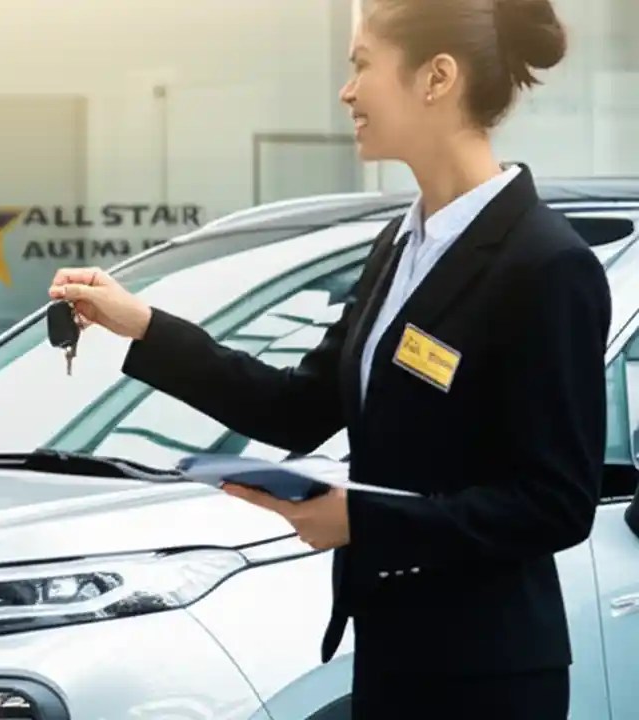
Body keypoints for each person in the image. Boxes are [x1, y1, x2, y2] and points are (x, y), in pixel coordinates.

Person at [48, 0, 608, 718]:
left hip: (488, 675)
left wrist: (363, 524)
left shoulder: (546, 264)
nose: (347, 92)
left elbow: (555, 503)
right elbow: (297, 406)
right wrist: (143, 325)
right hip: (389, 655)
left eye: (361, 66)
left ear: (436, 77)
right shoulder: (400, 248)